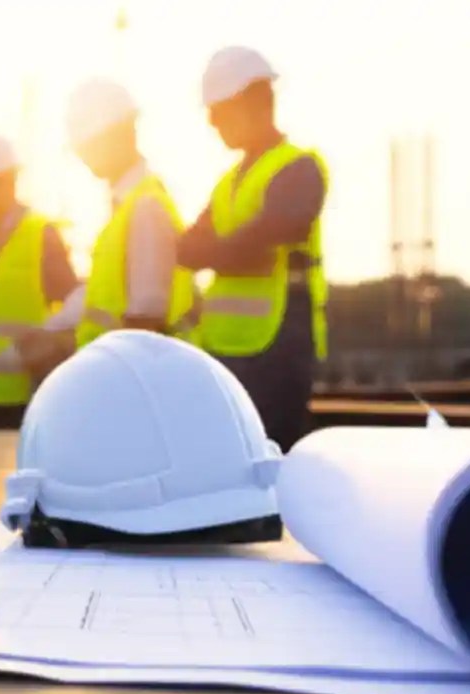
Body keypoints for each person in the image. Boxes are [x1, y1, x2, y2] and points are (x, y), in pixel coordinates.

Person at [176, 46, 329, 453]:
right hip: (226, 348)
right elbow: (187, 250)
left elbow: (272, 234)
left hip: (277, 345)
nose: (212, 123)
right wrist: (233, 249)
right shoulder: (229, 182)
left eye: (219, 111)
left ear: (257, 102)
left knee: (271, 457)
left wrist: (223, 249)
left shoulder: (299, 167)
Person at [0, 133, 82, 429]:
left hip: (28, 400)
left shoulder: (40, 234)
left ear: (2, 182)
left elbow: (74, 305)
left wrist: (37, 345)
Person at [64, 78, 199, 348]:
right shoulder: (125, 207)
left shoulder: (146, 208)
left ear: (121, 134)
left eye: (88, 145)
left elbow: (147, 319)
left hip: (136, 375)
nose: (83, 156)